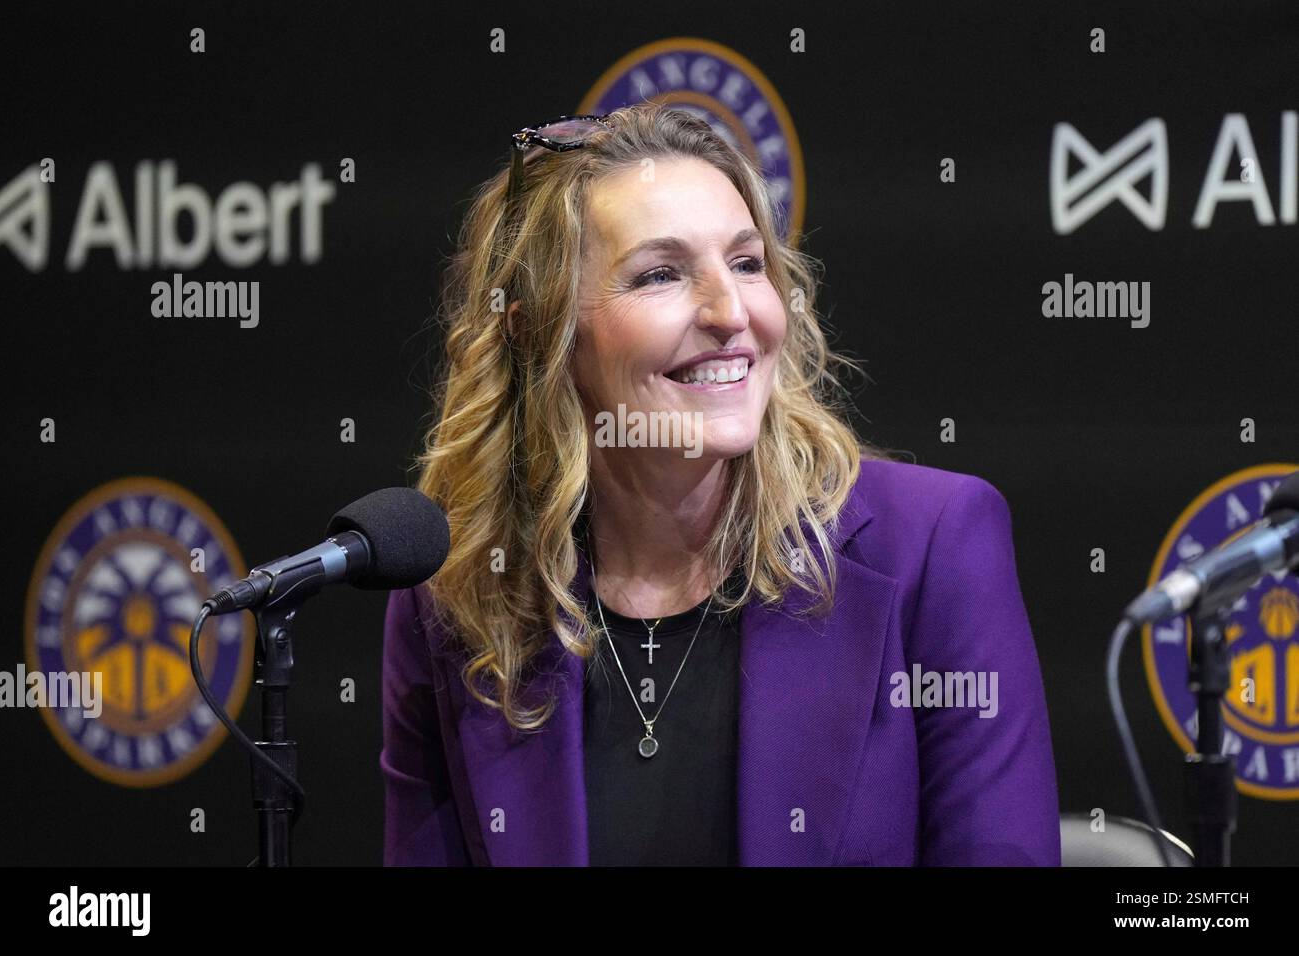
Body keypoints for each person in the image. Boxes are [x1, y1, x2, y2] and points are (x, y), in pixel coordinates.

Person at [381, 101, 1060, 866]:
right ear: (538, 330)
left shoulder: (934, 545)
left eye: (746, 263)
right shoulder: (458, 591)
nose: (732, 311)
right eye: (662, 274)